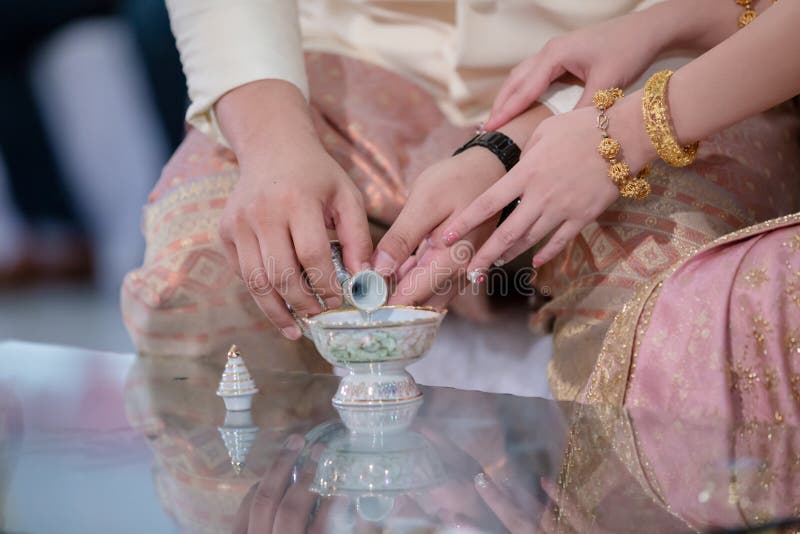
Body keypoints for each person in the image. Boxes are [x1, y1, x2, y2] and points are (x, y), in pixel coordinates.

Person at [123, 0, 695, 360]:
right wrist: (272, 141)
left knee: (674, 324)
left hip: (628, 87)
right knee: (196, 298)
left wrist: (509, 145)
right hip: (331, 79)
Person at [424, 0, 800, 414]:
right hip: (418, 77)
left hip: (710, 88)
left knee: (658, 318)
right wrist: (663, 23)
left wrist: (628, 132)